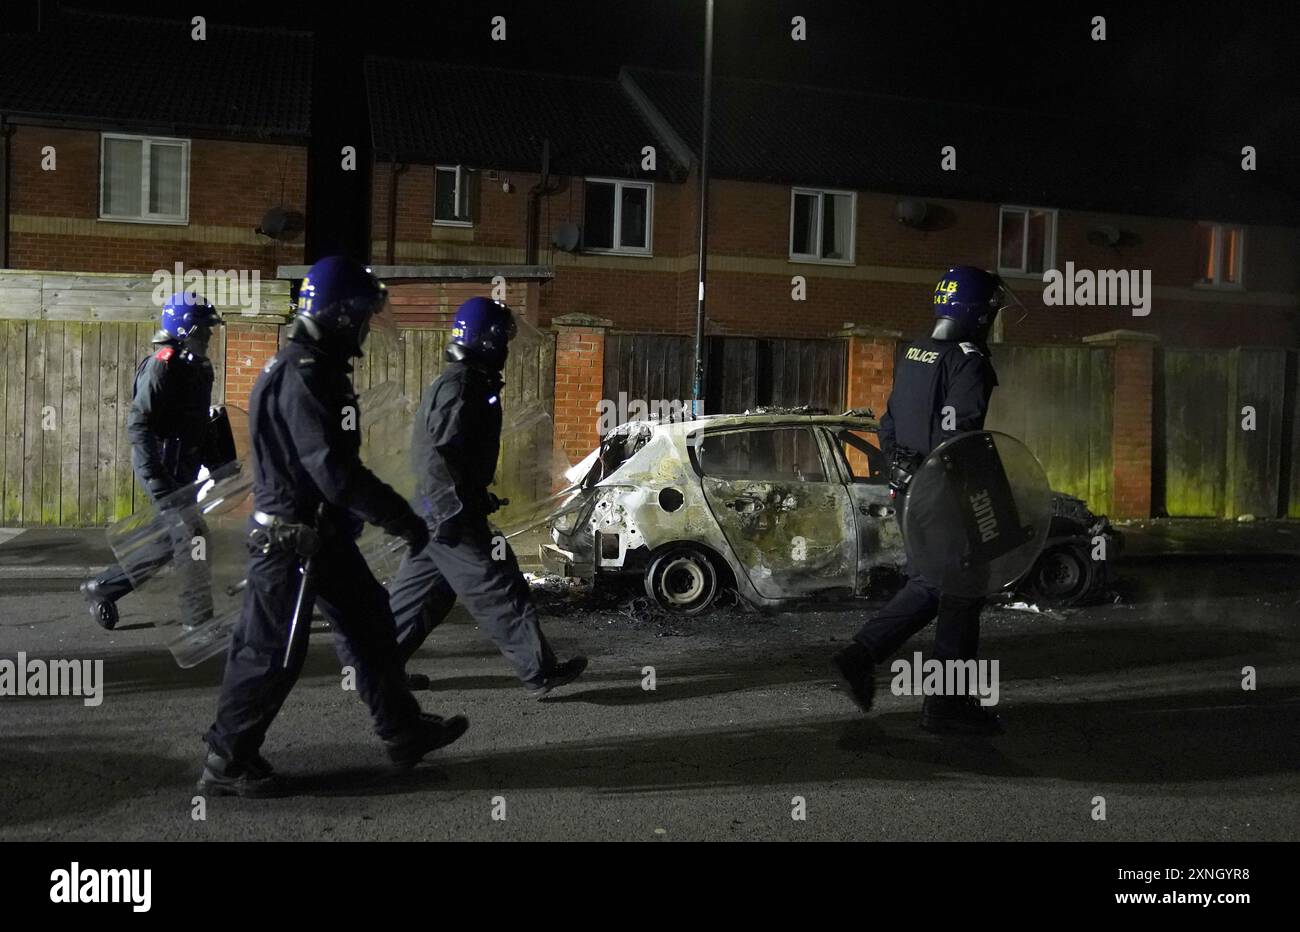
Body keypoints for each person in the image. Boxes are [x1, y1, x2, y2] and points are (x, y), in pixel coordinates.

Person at [200, 257, 468, 798]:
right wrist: (402, 519)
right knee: (270, 650)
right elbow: (335, 472)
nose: (369, 325)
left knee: (372, 627)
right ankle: (227, 761)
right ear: (340, 314)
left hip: (320, 536)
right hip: (292, 541)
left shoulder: (311, 368)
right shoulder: (305, 375)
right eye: (364, 314)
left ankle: (403, 731)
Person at [340, 297, 586, 699]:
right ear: (486, 341)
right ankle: (538, 671)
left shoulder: (471, 382)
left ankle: (373, 670)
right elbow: (434, 455)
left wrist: (472, 495)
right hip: (448, 516)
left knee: (420, 600)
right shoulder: (463, 386)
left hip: (439, 513)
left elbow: (455, 458)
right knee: (500, 586)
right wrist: (452, 508)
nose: (507, 348)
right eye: (502, 339)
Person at [832, 266, 1008, 736]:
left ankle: (860, 654)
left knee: (932, 582)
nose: (992, 319)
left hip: (909, 491)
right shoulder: (967, 360)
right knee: (962, 592)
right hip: (947, 493)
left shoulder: (915, 352)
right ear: (974, 312)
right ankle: (947, 706)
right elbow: (960, 433)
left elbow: (889, 423)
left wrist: (900, 466)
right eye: (990, 310)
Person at [80, 292, 222, 631]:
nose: (209, 336)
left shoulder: (198, 368)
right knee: (192, 537)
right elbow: (138, 423)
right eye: (204, 330)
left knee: (169, 540)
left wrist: (217, 460)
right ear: (186, 331)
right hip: (161, 467)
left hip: (183, 468)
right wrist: (155, 478)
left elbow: (197, 421)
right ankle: (198, 624)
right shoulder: (163, 364)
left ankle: (103, 587)